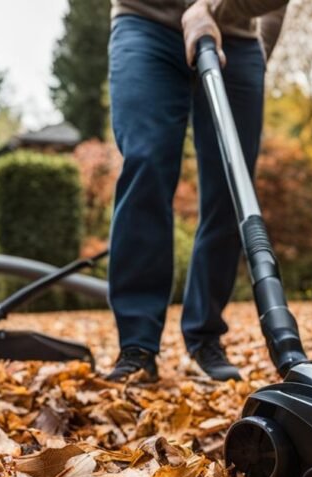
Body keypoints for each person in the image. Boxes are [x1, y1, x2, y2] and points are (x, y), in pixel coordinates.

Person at [105, 0, 289, 383]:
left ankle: (205, 336)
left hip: (237, 41)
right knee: (147, 160)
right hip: (146, 22)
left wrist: (223, 19)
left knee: (231, 185)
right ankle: (137, 343)